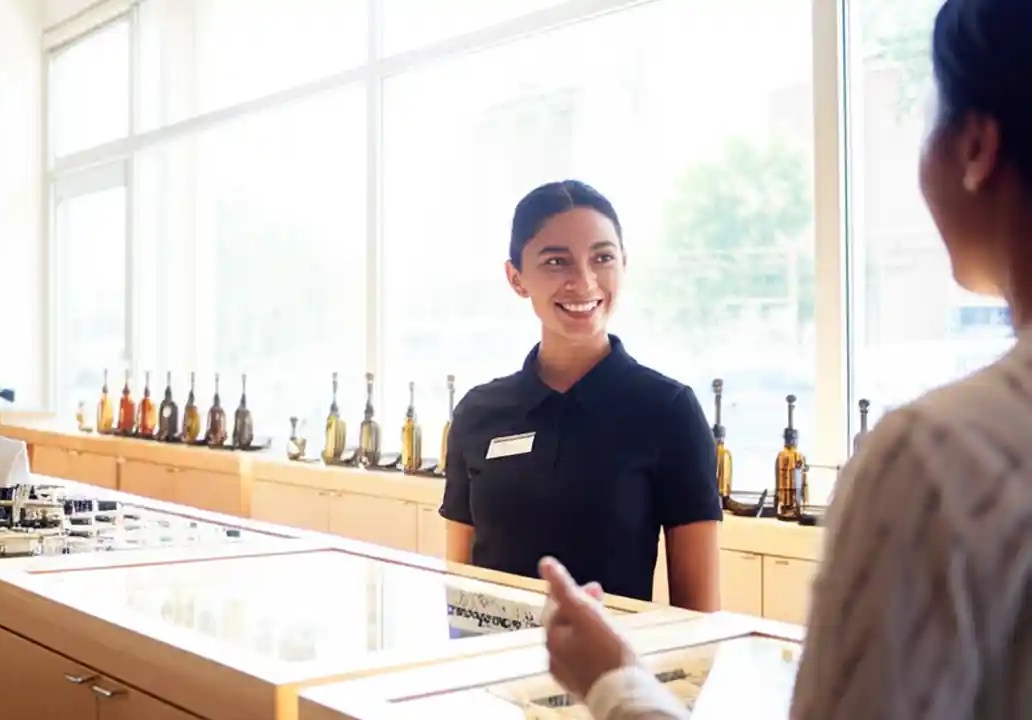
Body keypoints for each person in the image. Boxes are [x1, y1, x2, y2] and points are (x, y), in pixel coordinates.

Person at [539, 0, 1032, 717]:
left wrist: (612, 680)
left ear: (975, 147)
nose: (582, 281)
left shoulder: (935, 457)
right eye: (556, 260)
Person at [440, 180, 722, 612]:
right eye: (556, 261)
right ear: (516, 278)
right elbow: (457, 589)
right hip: (491, 671)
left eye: (602, 258)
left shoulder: (667, 411)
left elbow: (699, 614)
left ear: (623, 265)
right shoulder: (479, 413)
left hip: (608, 677)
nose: (584, 281)